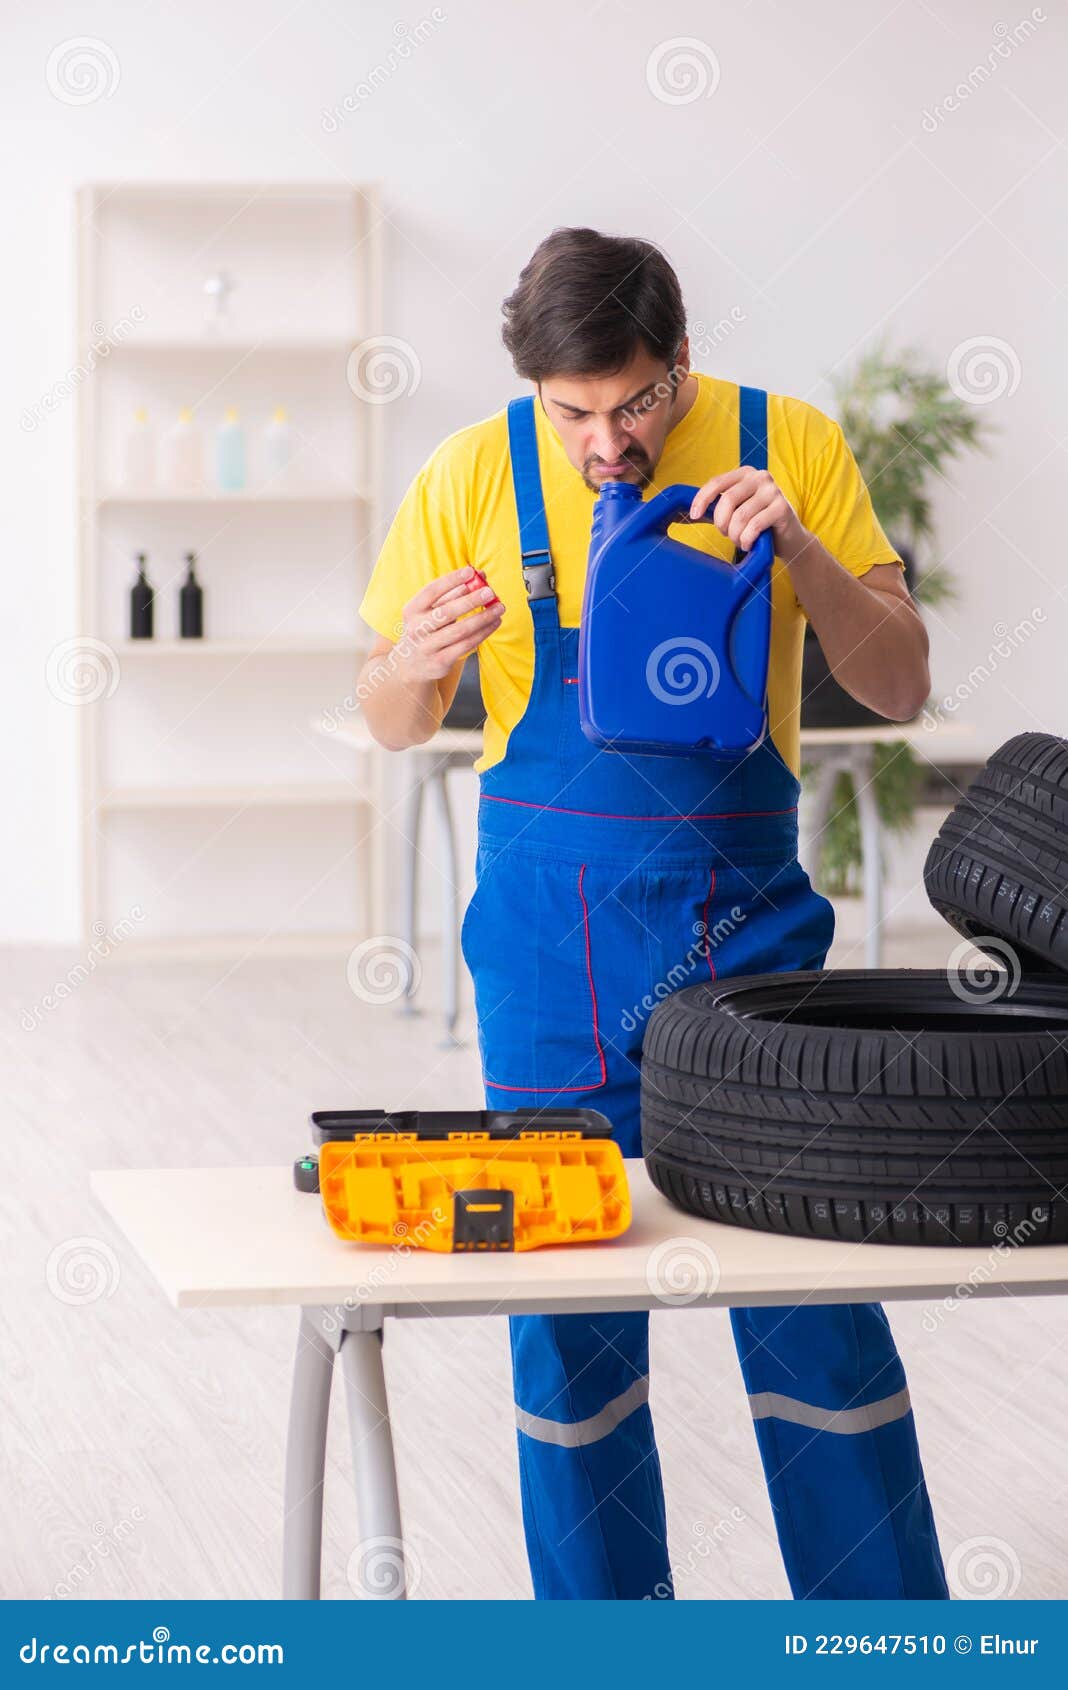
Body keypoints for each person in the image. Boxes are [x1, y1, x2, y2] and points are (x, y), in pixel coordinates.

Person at [357, 226, 948, 1602]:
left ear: (680, 362)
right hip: (547, 956)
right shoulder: (471, 471)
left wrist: (796, 545)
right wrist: (413, 668)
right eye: (574, 414)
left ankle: (885, 1634)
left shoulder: (784, 441)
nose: (608, 443)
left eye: (635, 405)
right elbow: (387, 718)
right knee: (568, 1319)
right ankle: (609, 1640)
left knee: (811, 1286)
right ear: (532, 390)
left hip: (746, 937)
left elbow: (905, 683)